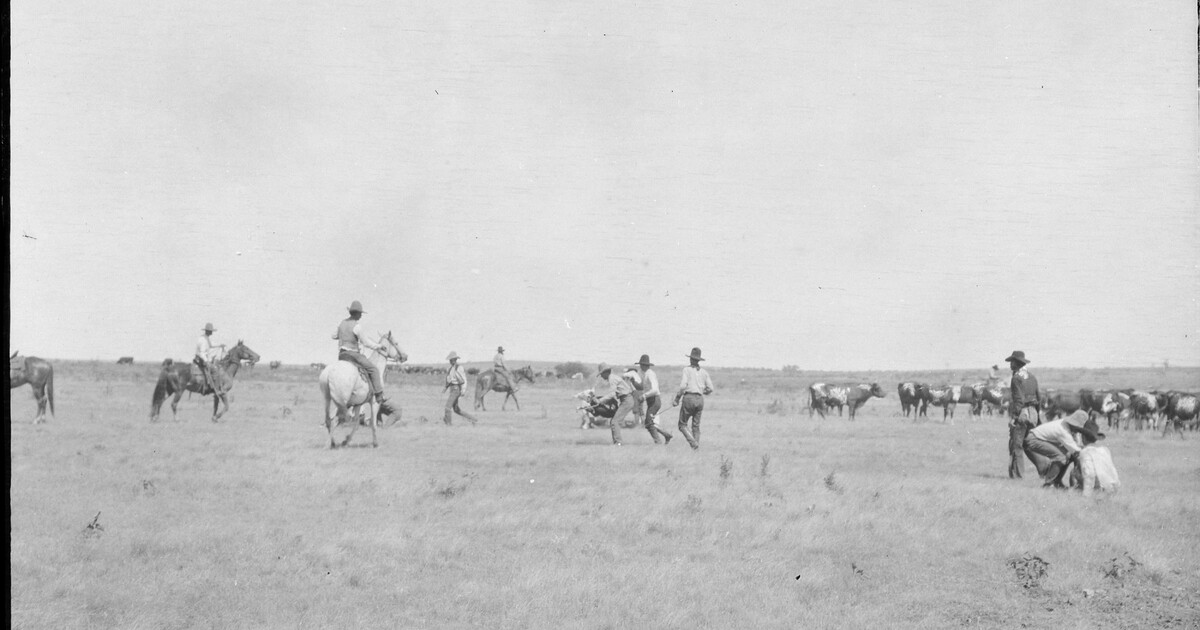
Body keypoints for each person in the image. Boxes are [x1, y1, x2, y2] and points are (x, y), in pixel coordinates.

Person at [331, 300, 395, 416]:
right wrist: (379, 346)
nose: (361, 315)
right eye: (360, 313)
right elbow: (366, 343)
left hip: (341, 355)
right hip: (353, 355)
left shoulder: (342, 323)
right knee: (373, 369)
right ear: (356, 313)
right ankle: (379, 395)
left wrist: (344, 335)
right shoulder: (357, 326)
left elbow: (333, 336)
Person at [1024, 411, 1091, 489]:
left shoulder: (1067, 425)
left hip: (1040, 438)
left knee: (1067, 455)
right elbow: (1075, 450)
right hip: (1033, 439)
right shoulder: (1063, 431)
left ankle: (1057, 482)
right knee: (1060, 457)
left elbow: (1076, 444)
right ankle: (1048, 484)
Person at [1006, 350, 1040, 479]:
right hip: (1033, 413)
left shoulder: (1016, 378)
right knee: (1029, 444)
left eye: (1012, 362)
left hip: (1022, 414)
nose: (1010, 365)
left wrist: (1014, 417)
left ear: (1017, 363)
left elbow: (1019, 400)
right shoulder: (1032, 377)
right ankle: (1045, 467)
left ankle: (1018, 476)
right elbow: (1039, 397)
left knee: (1017, 444)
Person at [673, 347, 714, 451]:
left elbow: (683, 386)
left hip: (689, 398)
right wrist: (701, 391)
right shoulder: (704, 372)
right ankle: (696, 451)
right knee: (696, 426)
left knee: (682, 425)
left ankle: (694, 443)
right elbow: (711, 388)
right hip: (700, 399)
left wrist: (677, 398)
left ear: (691, 359)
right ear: (699, 360)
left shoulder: (686, 370)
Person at [1073, 417, 1120, 497]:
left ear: (1083, 437)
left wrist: (1087, 494)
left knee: (1074, 472)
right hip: (1112, 487)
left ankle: (1081, 490)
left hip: (1099, 489)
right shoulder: (1104, 449)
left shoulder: (1085, 452)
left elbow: (1089, 474)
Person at [594, 362, 636, 446]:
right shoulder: (614, 377)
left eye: (601, 374)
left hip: (626, 401)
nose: (601, 376)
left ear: (606, 372)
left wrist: (600, 401)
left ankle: (618, 443)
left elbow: (612, 394)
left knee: (615, 422)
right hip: (626, 400)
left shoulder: (612, 379)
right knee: (614, 421)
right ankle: (616, 442)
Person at [634, 354, 672, 445]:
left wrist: (643, 396)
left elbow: (655, 390)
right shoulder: (645, 374)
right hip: (651, 401)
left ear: (645, 365)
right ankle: (666, 435)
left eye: (641, 364)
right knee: (649, 422)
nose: (640, 366)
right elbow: (642, 387)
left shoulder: (650, 374)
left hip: (655, 400)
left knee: (648, 423)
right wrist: (633, 382)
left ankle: (658, 442)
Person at [443, 352, 478, 425]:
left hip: (456, 389)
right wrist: (445, 387)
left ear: (455, 359)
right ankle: (473, 419)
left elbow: (464, 379)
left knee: (447, 407)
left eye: (452, 359)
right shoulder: (450, 369)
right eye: (450, 360)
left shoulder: (459, 368)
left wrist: (463, 389)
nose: (451, 361)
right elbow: (450, 380)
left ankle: (448, 425)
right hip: (452, 389)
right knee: (456, 410)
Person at [194, 323, 225, 393]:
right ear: (207, 331)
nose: (212, 332)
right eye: (210, 331)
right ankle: (216, 389)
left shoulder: (205, 338)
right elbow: (202, 353)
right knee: (215, 369)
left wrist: (219, 345)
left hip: (200, 358)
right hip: (201, 359)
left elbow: (211, 345)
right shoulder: (203, 340)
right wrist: (206, 361)